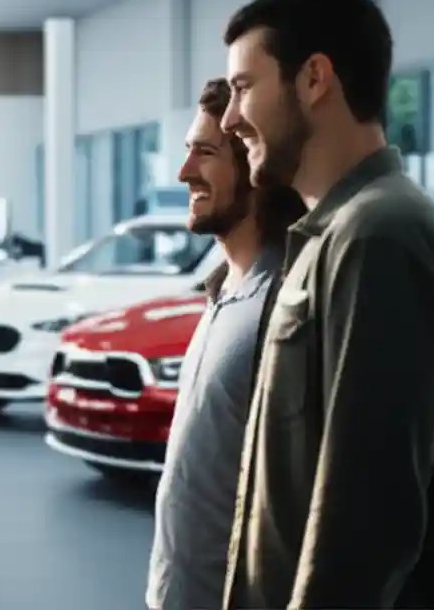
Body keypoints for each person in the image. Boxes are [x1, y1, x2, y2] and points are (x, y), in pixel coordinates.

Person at [218, 0, 434, 609]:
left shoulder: (381, 234)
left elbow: (365, 517)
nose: (230, 120)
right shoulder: (330, 233)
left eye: (243, 88)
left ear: (314, 79)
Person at [145, 78, 305, 610]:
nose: (184, 171)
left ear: (255, 168)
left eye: (205, 153)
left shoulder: (285, 302)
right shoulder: (219, 291)